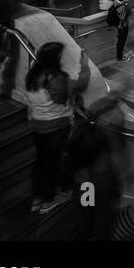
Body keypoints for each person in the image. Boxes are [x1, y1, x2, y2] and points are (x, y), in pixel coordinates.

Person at [24, 42, 90, 214]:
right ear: (55, 58)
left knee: (41, 160)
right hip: (56, 127)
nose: (62, 58)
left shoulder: (32, 73)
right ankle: (49, 199)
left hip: (37, 125)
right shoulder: (57, 78)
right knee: (54, 162)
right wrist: (85, 65)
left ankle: (36, 199)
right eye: (60, 56)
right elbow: (80, 85)